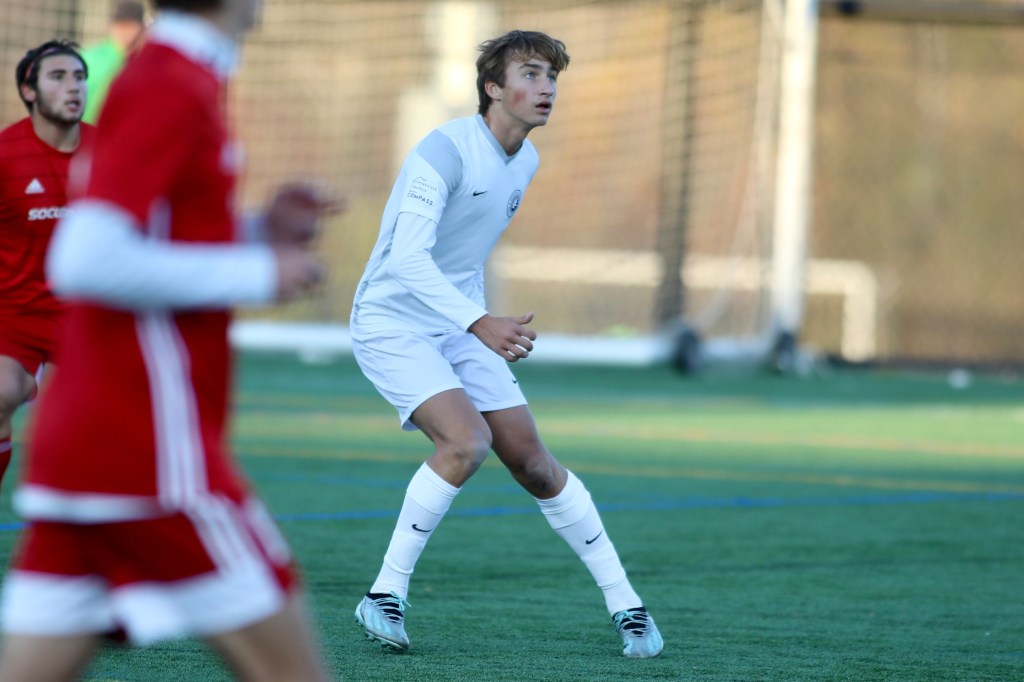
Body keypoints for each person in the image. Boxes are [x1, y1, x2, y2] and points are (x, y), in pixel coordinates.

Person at [0, 2, 337, 681]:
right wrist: (259, 272)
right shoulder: (168, 81)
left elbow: (149, 232)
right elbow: (85, 259)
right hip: (150, 451)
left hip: (89, 447)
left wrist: (256, 231)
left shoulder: (176, 75)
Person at [349, 30, 664, 659]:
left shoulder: (527, 161)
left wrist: (472, 320)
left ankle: (627, 605)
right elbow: (407, 260)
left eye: (552, 77)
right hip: (391, 321)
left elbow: (461, 258)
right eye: (531, 74)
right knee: (466, 442)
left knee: (535, 465)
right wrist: (479, 321)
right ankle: (384, 594)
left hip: (459, 321)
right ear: (493, 87)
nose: (547, 88)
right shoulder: (443, 151)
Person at [0, 39, 95, 496]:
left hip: (88, 316)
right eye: (58, 77)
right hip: (14, 315)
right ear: (29, 90)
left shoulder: (109, 152)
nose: (73, 87)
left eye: (79, 77)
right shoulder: (5, 155)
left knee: (106, 424)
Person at [80, 0, 147, 124]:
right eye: (121, 26)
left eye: (131, 26)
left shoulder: (143, 62)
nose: (125, 32)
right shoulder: (90, 59)